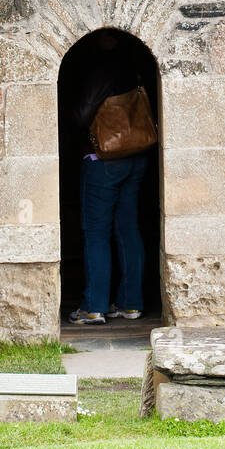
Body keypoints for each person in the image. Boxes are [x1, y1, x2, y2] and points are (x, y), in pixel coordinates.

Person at [69, 29, 154, 326]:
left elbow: (81, 115)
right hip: (136, 157)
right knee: (128, 230)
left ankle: (94, 306)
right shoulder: (135, 68)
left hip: (104, 159)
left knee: (96, 234)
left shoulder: (98, 70)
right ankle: (131, 304)